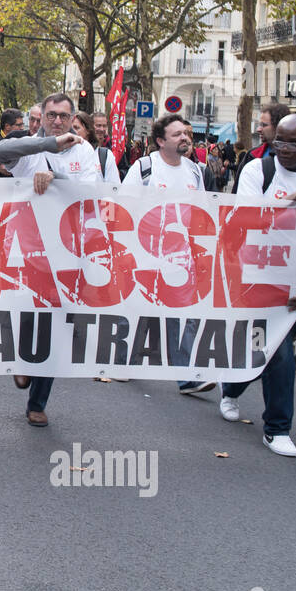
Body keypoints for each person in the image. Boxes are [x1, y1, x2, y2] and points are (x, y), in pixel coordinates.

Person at [219, 114, 296, 457]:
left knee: (270, 351)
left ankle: (236, 392)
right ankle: (276, 426)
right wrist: (286, 205)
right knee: (277, 352)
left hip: (294, 287)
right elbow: (242, 218)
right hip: (254, 279)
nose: (281, 149)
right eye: (277, 141)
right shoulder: (258, 170)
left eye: (291, 143)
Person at [3, 93, 99, 425]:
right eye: (51, 115)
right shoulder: (30, 146)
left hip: (69, 249)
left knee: (57, 326)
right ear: (41, 116)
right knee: (31, 314)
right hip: (29, 246)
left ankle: (37, 403)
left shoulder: (85, 151)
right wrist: (43, 146)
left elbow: (89, 191)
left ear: (74, 119)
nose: (57, 120)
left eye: (63, 116)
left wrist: (55, 178)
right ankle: (24, 360)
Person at [122, 113, 216, 396]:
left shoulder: (195, 171)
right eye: (177, 134)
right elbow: (125, 207)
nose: (185, 138)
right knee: (139, 312)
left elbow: (201, 211)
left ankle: (187, 376)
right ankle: (126, 362)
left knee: (180, 313)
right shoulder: (144, 167)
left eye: (186, 133)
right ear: (161, 141)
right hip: (144, 253)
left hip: (180, 257)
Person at [72, 110, 120, 184]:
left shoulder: (105, 156)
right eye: (70, 129)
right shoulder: (61, 154)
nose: (72, 132)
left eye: (76, 128)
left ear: (87, 130)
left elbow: (113, 189)